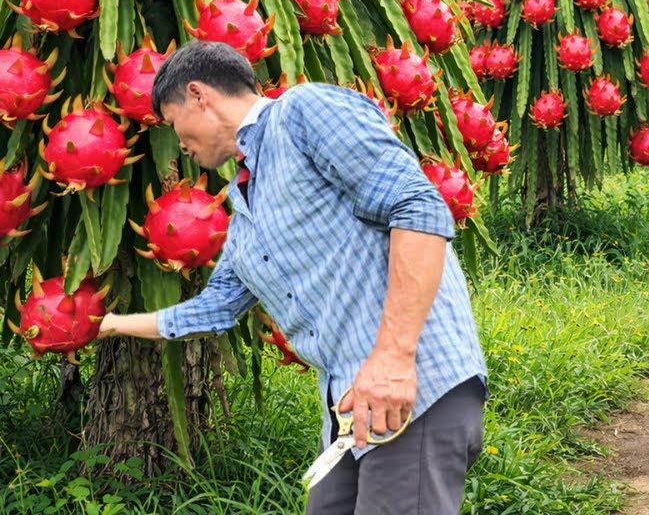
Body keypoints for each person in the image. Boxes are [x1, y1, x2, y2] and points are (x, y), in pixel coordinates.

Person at [98, 41, 487, 515]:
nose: (176, 139)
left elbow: (419, 208)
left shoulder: (305, 112)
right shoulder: (244, 201)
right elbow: (216, 307)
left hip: (411, 389)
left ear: (199, 95)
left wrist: (392, 359)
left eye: (173, 120)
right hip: (349, 406)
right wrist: (108, 324)